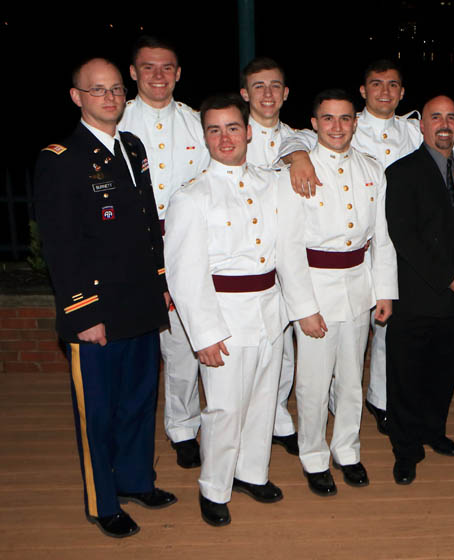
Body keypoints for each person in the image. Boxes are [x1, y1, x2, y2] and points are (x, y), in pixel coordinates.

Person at [278, 59, 454, 436]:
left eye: (392, 85)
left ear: (403, 93)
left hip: (393, 248)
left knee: (385, 337)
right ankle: (334, 415)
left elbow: (450, 134)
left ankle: (382, 403)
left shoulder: (410, 128)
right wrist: (298, 156)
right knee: (335, 353)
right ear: (362, 91)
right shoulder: (346, 122)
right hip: (347, 251)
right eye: (376, 84)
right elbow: (298, 137)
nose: (384, 91)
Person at [34, 57, 176, 538]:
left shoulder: (131, 146)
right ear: (77, 97)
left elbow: (146, 225)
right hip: (96, 311)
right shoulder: (60, 159)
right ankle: (103, 502)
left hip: (139, 303)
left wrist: (160, 282)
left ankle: (137, 480)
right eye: (98, 90)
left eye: (116, 89)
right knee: (98, 413)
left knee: (139, 402)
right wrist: (82, 311)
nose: (110, 97)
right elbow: (61, 245)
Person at [165, 94, 285, 526]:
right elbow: (183, 276)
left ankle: (251, 472)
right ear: (205, 138)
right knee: (223, 407)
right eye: (214, 129)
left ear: (249, 131)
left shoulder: (271, 184)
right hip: (224, 315)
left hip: (269, 310)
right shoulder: (191, 198)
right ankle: (214, 486)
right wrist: (205, 334)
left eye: (233, 127)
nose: (225, 137)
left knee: (262, 400)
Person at [276, 89, 396, 494]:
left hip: (358, 288)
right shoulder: (298, 172)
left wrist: (384, 291)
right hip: (315, 289)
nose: (338, 127)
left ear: (356, 122)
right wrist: (303, 307)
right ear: (314, 123)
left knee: (349, 379)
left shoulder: (371, 168)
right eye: (328, 118)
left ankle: (347, 449)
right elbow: (288, 248)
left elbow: (381, 237)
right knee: (312, 381)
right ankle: (313, 455)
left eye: (345, 118)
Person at [119, 35, 210, 469]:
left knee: (183, 341)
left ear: (178, 73)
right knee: (138, 345)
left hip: (187, 243)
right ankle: (138, 429)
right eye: (149, 67)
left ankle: (183, 428)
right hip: (131, 246)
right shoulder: (116, 122)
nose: (159, 76)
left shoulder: (196, 123)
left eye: (167, 67)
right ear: (133, 72)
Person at [383, 95, 454, 484]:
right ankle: (406, 449)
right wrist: (449, 278)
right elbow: (404, 237)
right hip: (417, 294)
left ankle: (432, 430)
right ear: (421, 126)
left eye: (451, 117)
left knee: (443, 371)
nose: (444, 124)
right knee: (406, 376)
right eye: (436, 117)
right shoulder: (402, 171)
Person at [238, 56, 299, 456]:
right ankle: (243, 421)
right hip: (241, 258)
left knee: (285, 345)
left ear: (286, 93)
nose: (267, 94)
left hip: (287, 257)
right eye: (258, 86)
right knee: (245, 349)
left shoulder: (301, 139)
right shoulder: (230, 134)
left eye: (275, 85)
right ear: (245, 93)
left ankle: (276, 415)